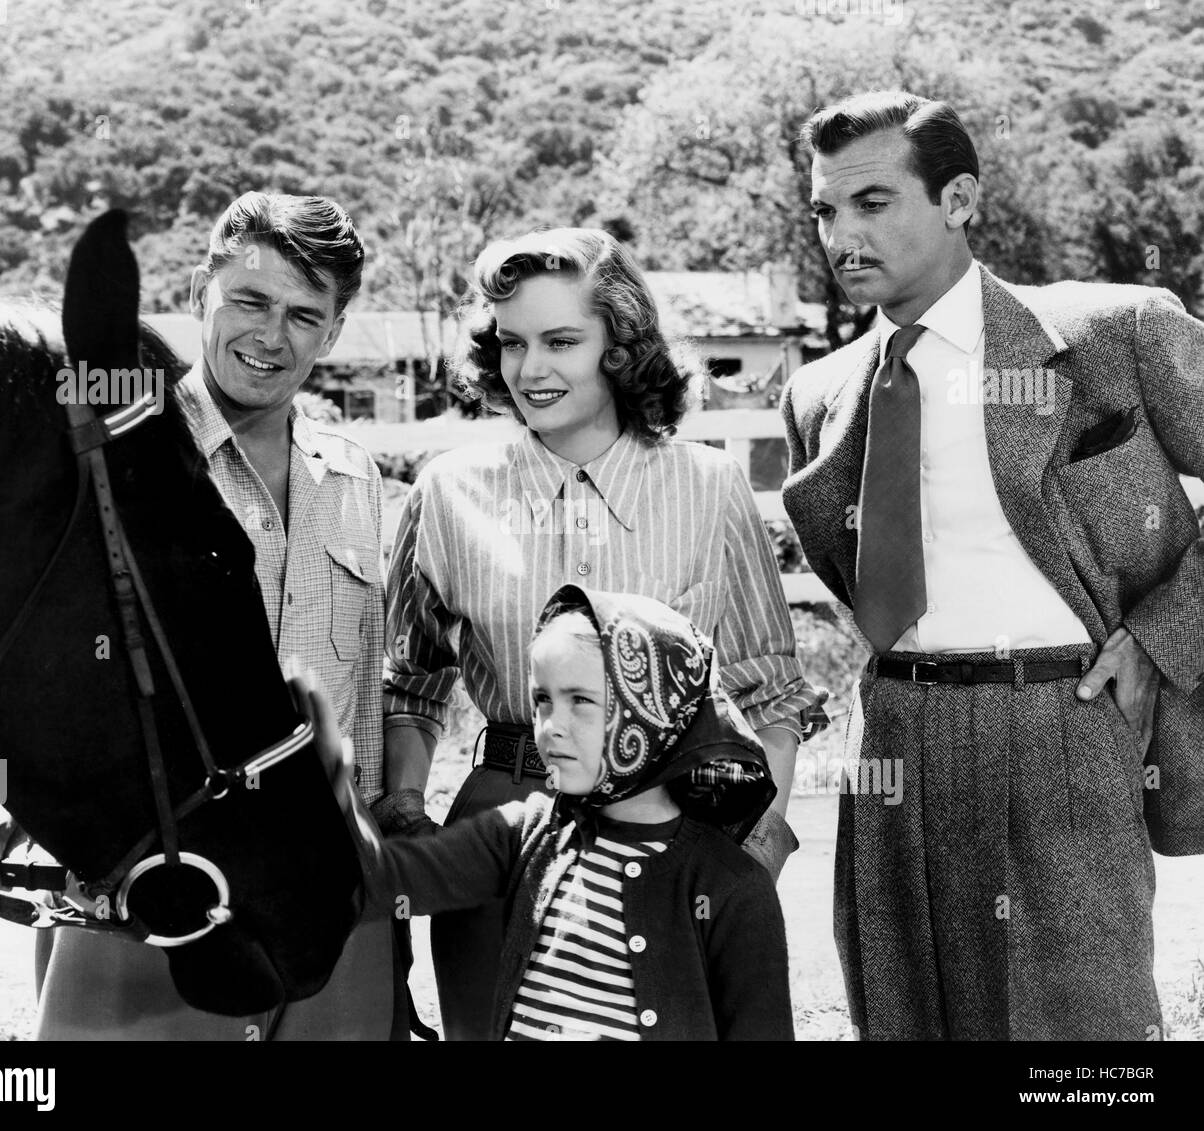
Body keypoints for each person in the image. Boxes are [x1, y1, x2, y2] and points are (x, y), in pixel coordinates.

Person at [0, 192, 405, 1040]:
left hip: (334, 913)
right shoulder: (108, 454)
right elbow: (2, 651)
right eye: (251, 301)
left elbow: (384, 683)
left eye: (304, 315)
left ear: (333, 335)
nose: (272, 335)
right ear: (200, 293)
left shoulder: (361, 481)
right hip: (149, 908)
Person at [781, 90, 1204, 1040]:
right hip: (891, 733)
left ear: (960, 198)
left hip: (1065, 717)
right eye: (824, 211)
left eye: (873, 202)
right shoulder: (819, 393)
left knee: (1081, 1044)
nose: (841, 233)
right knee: (903, 1015)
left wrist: (1160, 637)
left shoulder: (1114, 334)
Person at [381, 227, 828, 1040]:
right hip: (501, 831)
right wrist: (409, 809)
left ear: (620, 347)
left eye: (562, 341)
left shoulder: (709, 486)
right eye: (511, 343)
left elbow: (771, 690)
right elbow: (410, 682)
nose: (531, 369)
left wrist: (755, 847)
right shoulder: (446, 492)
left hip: (674, 834)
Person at [318, 585, 792, 1040]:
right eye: (543, 699)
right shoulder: (525, 835)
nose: (549, 727)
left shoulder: (731, 887)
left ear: (654, 711)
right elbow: (390, 883)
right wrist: (333, 787)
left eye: (580, 701)